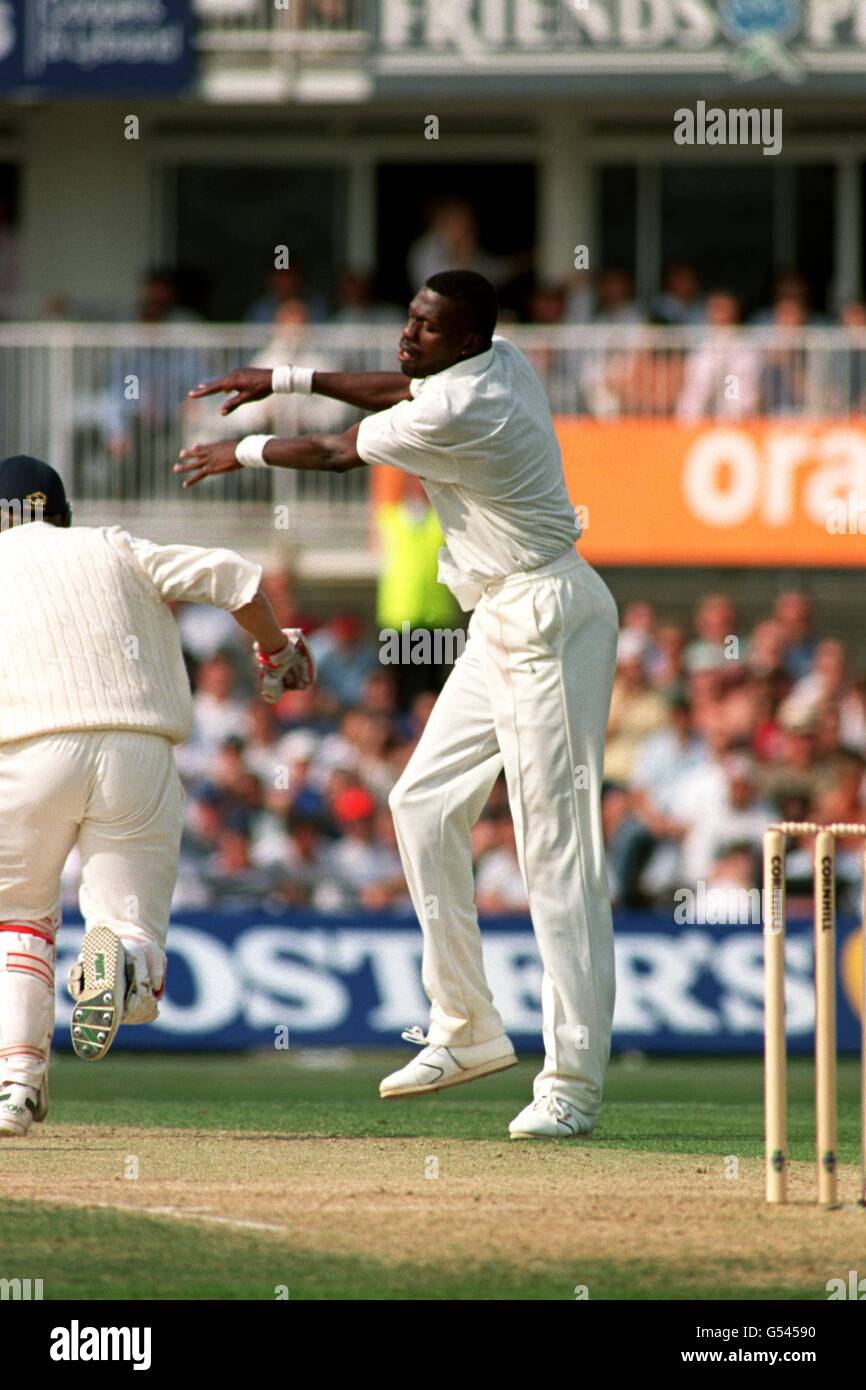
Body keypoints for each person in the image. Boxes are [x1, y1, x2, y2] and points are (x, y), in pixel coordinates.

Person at [178, 268, 620, 1141]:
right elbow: (398, 387)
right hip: (502, 616)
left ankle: (574, 1082)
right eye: (408, 318)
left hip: (548, 616)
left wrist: (247, 450)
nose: (408, 336)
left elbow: (345, 450)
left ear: (465, 341)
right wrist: (286, 380)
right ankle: (466, 1028)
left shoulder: (460, 412)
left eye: (426, 328)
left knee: (556, 854)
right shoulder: (501, 363)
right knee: (419, 804)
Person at [0, 455, 313, 1137]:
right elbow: (234, 577)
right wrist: (275, 651)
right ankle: (125, 965)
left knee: (19, 920)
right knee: (129, 924)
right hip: (139, 748)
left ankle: (17, 1089)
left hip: (24, 752)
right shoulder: (113, 544)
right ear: (59, 510)